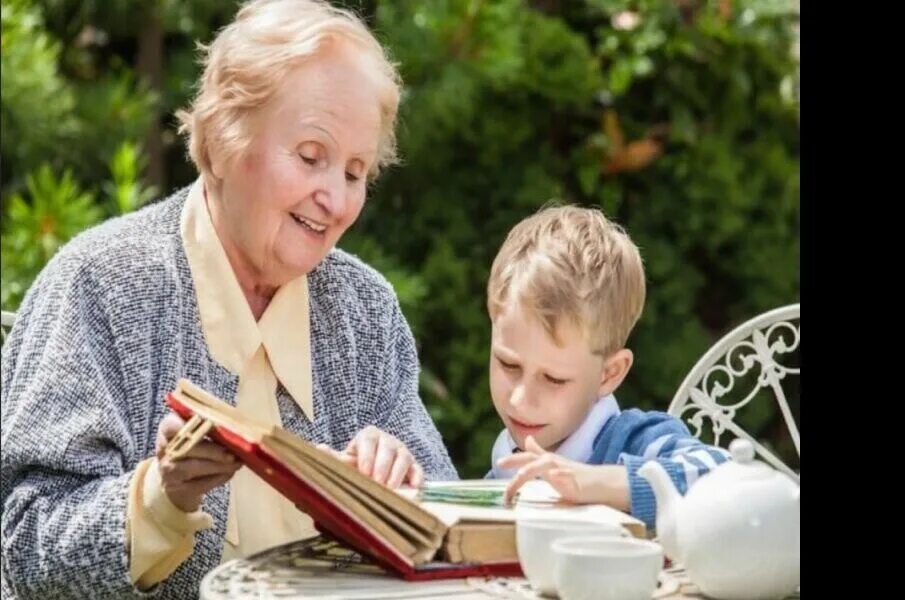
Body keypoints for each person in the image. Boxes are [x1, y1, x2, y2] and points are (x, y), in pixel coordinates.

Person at [0, 1, 456, 597]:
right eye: (311, 157)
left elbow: (449, 528)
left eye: (354, 173)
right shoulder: (100, 284)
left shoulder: (365, 309)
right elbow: (25, 545)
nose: (336, 200)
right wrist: (159, 497)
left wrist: (400, 484)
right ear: (220, 143)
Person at [483, 205, 729, 528]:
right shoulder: (502, 465)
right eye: (508, 364)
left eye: (554, 379)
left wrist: (599, 483)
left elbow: (723, 476)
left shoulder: (635, 440)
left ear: (609, 374)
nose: (520, 400)